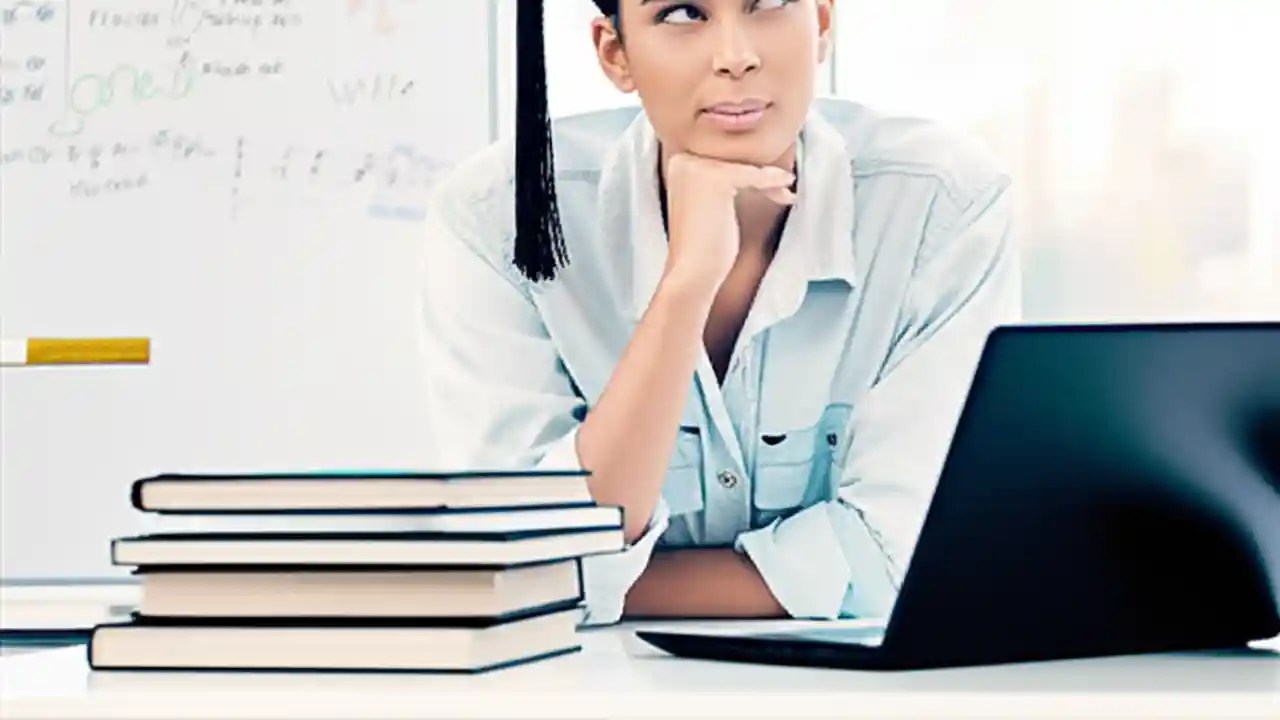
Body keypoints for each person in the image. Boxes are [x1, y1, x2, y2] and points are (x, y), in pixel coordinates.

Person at [419, 0, 1021, 627]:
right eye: (683, 14)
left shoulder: (940, 205)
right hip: (587, 679)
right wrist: (685, 286)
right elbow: (518, 556)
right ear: (616, 54)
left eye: (769, 3)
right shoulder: (500, 216)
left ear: (821, 22)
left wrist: (594, 587)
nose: (736, 57)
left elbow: (906, 559)